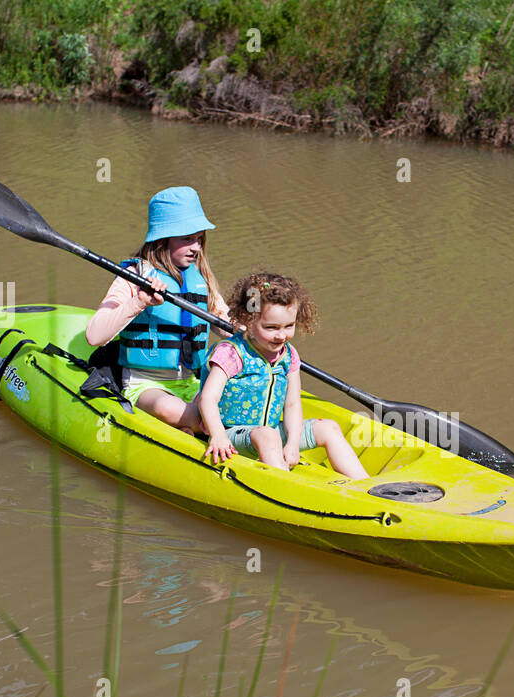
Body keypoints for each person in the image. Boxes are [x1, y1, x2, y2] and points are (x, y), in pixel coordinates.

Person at [194, 273, 369, 479]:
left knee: (328, 428)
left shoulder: (289, 354)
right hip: (232, 434)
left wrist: (293, 444)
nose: (281, 335)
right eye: (271, 327)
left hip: (268, 432)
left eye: (289, 326)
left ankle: (365, 487)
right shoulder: (232, 353)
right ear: (247, 320)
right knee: (267, 435)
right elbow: (208, 399)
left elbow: (292, 404)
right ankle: (287, 488)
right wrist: (219, 436)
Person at [85, 187, 227, 433]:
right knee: (169, 408)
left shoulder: (201, 277)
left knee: (227, 398)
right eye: (187, 239)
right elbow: (94, 336)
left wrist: (251, 331)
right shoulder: (135, 276)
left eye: (200, 239)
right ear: (163, 240)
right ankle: (197, 424)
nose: (197, 248)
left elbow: (224, 323)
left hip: (191, 382)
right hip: (147, 386)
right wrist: (140, 301)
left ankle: (191, 427)